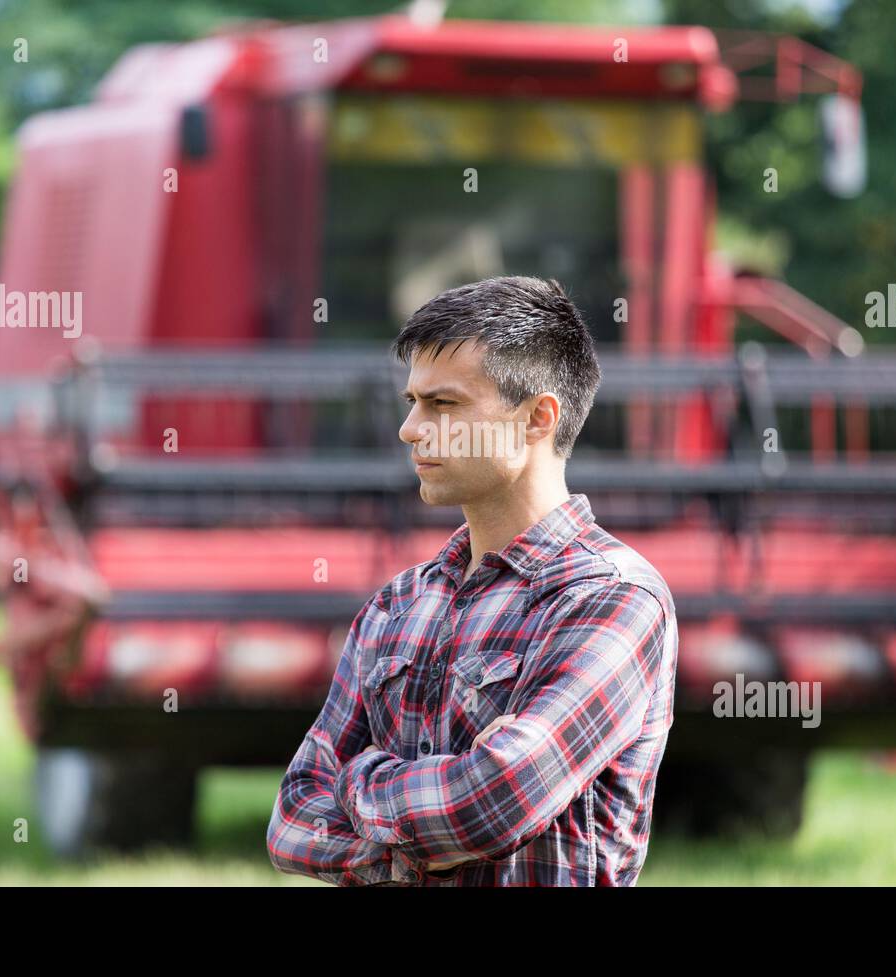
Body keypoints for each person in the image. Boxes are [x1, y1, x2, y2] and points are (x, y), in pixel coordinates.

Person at [266, 276, 678, 885]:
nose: (411, 428)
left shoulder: (614, 598)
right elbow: (291, 820)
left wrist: (357, 778)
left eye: (444, 404)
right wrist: (424, 828)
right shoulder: (397, 604)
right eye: (413, 401)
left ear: (539, 418)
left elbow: (495, 799)